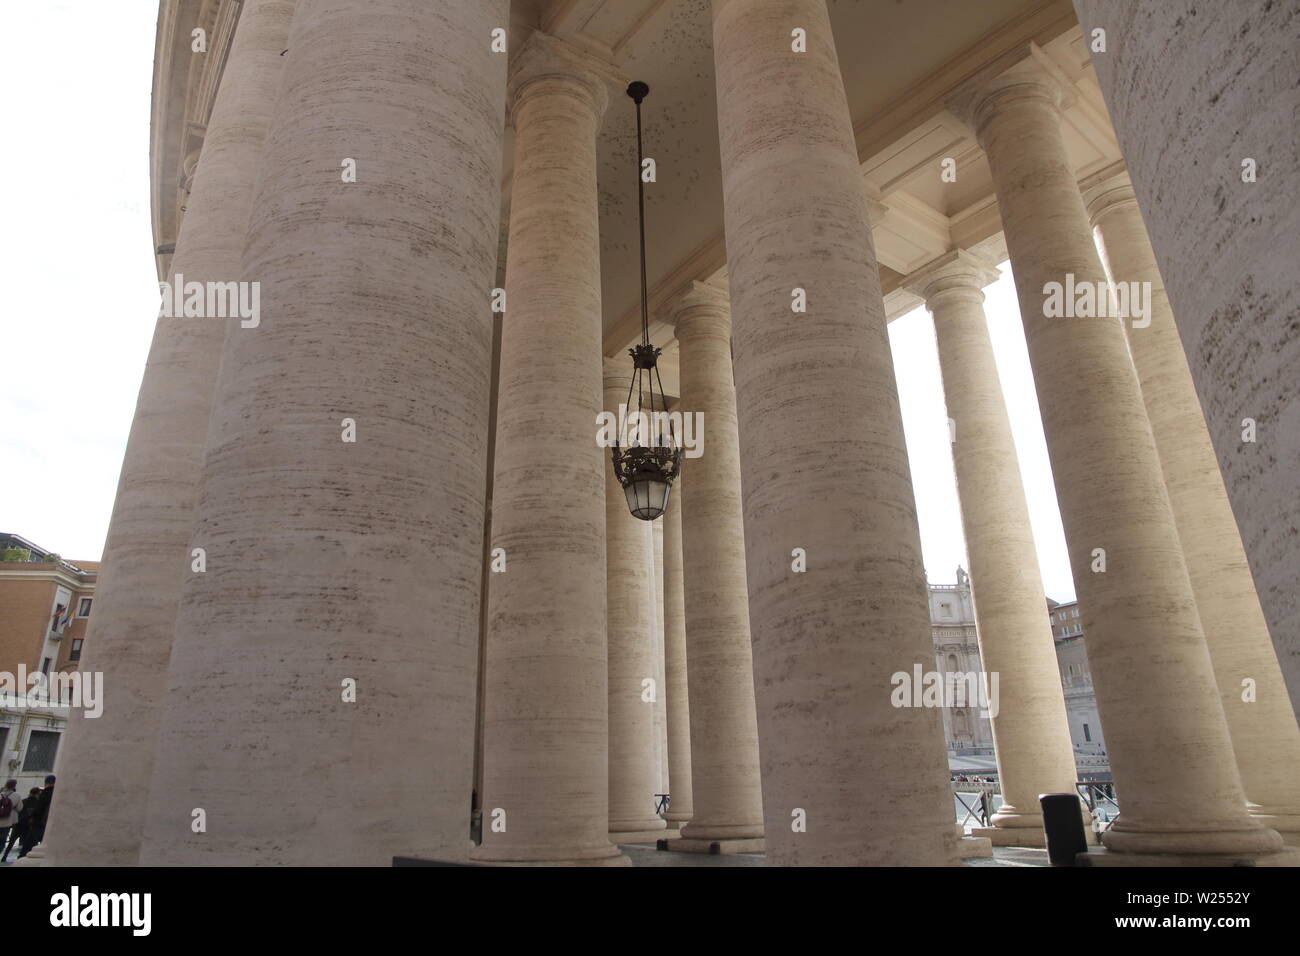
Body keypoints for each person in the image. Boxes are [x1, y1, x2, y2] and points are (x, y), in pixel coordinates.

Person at [1, 788, 41, 862]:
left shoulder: (24, 801)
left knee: (11, 842)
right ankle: (21, 858)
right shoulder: (38, 803)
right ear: (37, 794)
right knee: (26, 842)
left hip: (18, 824)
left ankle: (4, 856)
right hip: (28, 826)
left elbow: (19, 810)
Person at [19, 775, 55, 857]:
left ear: (46, 783)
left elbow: (39, 808)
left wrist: (32, 817)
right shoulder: (55, 792)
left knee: (30, 842)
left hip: (39, 822)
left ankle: (23, 856)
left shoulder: (46, 793)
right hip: (48, 823)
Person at [0, 780, 22, 857]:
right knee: (3, 839)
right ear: (14, 786)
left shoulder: (0, 794)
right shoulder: (17, 795)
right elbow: (20, 808)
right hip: (8, 820)